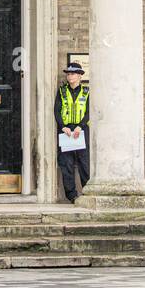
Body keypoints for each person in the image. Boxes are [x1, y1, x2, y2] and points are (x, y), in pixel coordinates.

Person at [55, 61, 90, 203]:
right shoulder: (62, 91)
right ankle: (72, 195)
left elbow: (89, 112)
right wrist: (63, 126)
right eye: (68, 74)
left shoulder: (86, 92)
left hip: (81, 130)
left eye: (73, 74)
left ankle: (87, 192)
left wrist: (80, 126)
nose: (70, 76)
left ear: (80, 76)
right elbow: (57, 110)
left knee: (84, 162)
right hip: (66, 131)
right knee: (66, 164)